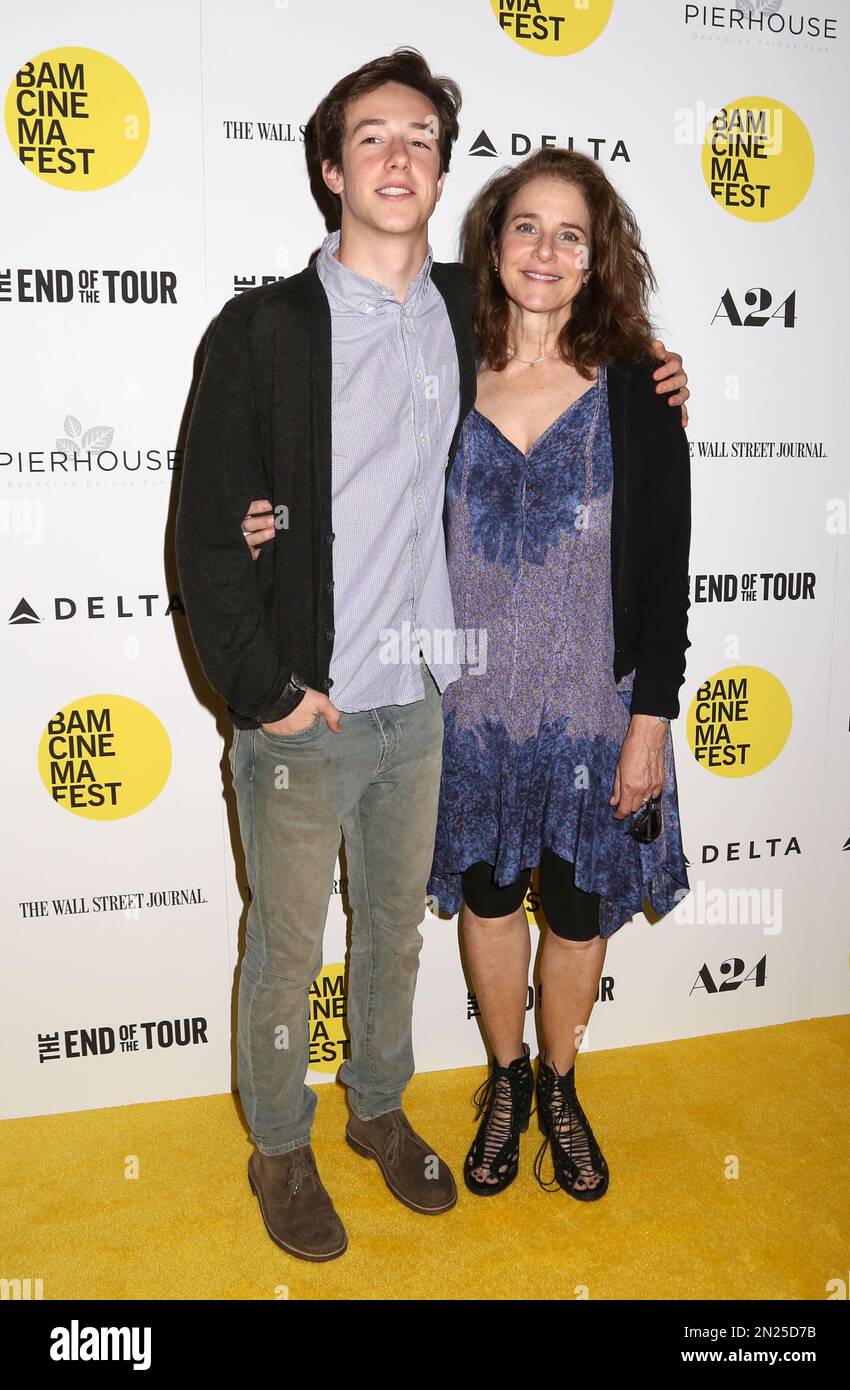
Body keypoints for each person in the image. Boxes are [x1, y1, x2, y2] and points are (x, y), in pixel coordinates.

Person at [200, 50, 688, 1262]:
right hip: (309, 712)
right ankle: (278, 1144)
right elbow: (210, 530)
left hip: (428, 708)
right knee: (283, 945)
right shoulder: (264, 329)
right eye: (372, 137)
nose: (398, 155)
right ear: (331, 168)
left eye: (420, 135)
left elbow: (582, 356)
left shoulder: (464, 311)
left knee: (392, 938)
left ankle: (378, 1110)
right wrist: (269, 688)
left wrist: (657, 374)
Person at [425, 148, 692, 1204]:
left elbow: (666, 565)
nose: (544, 250)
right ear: (491, 243)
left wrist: (650, 720)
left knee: (577, 913)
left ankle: (561, 1083)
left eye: (568, 234)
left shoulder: (636, 384)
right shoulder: (439, 366)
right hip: (473, 710)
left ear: (595, 257)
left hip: (592, 707)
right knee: (488, 903)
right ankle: (504, 1080)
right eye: (524, 227)